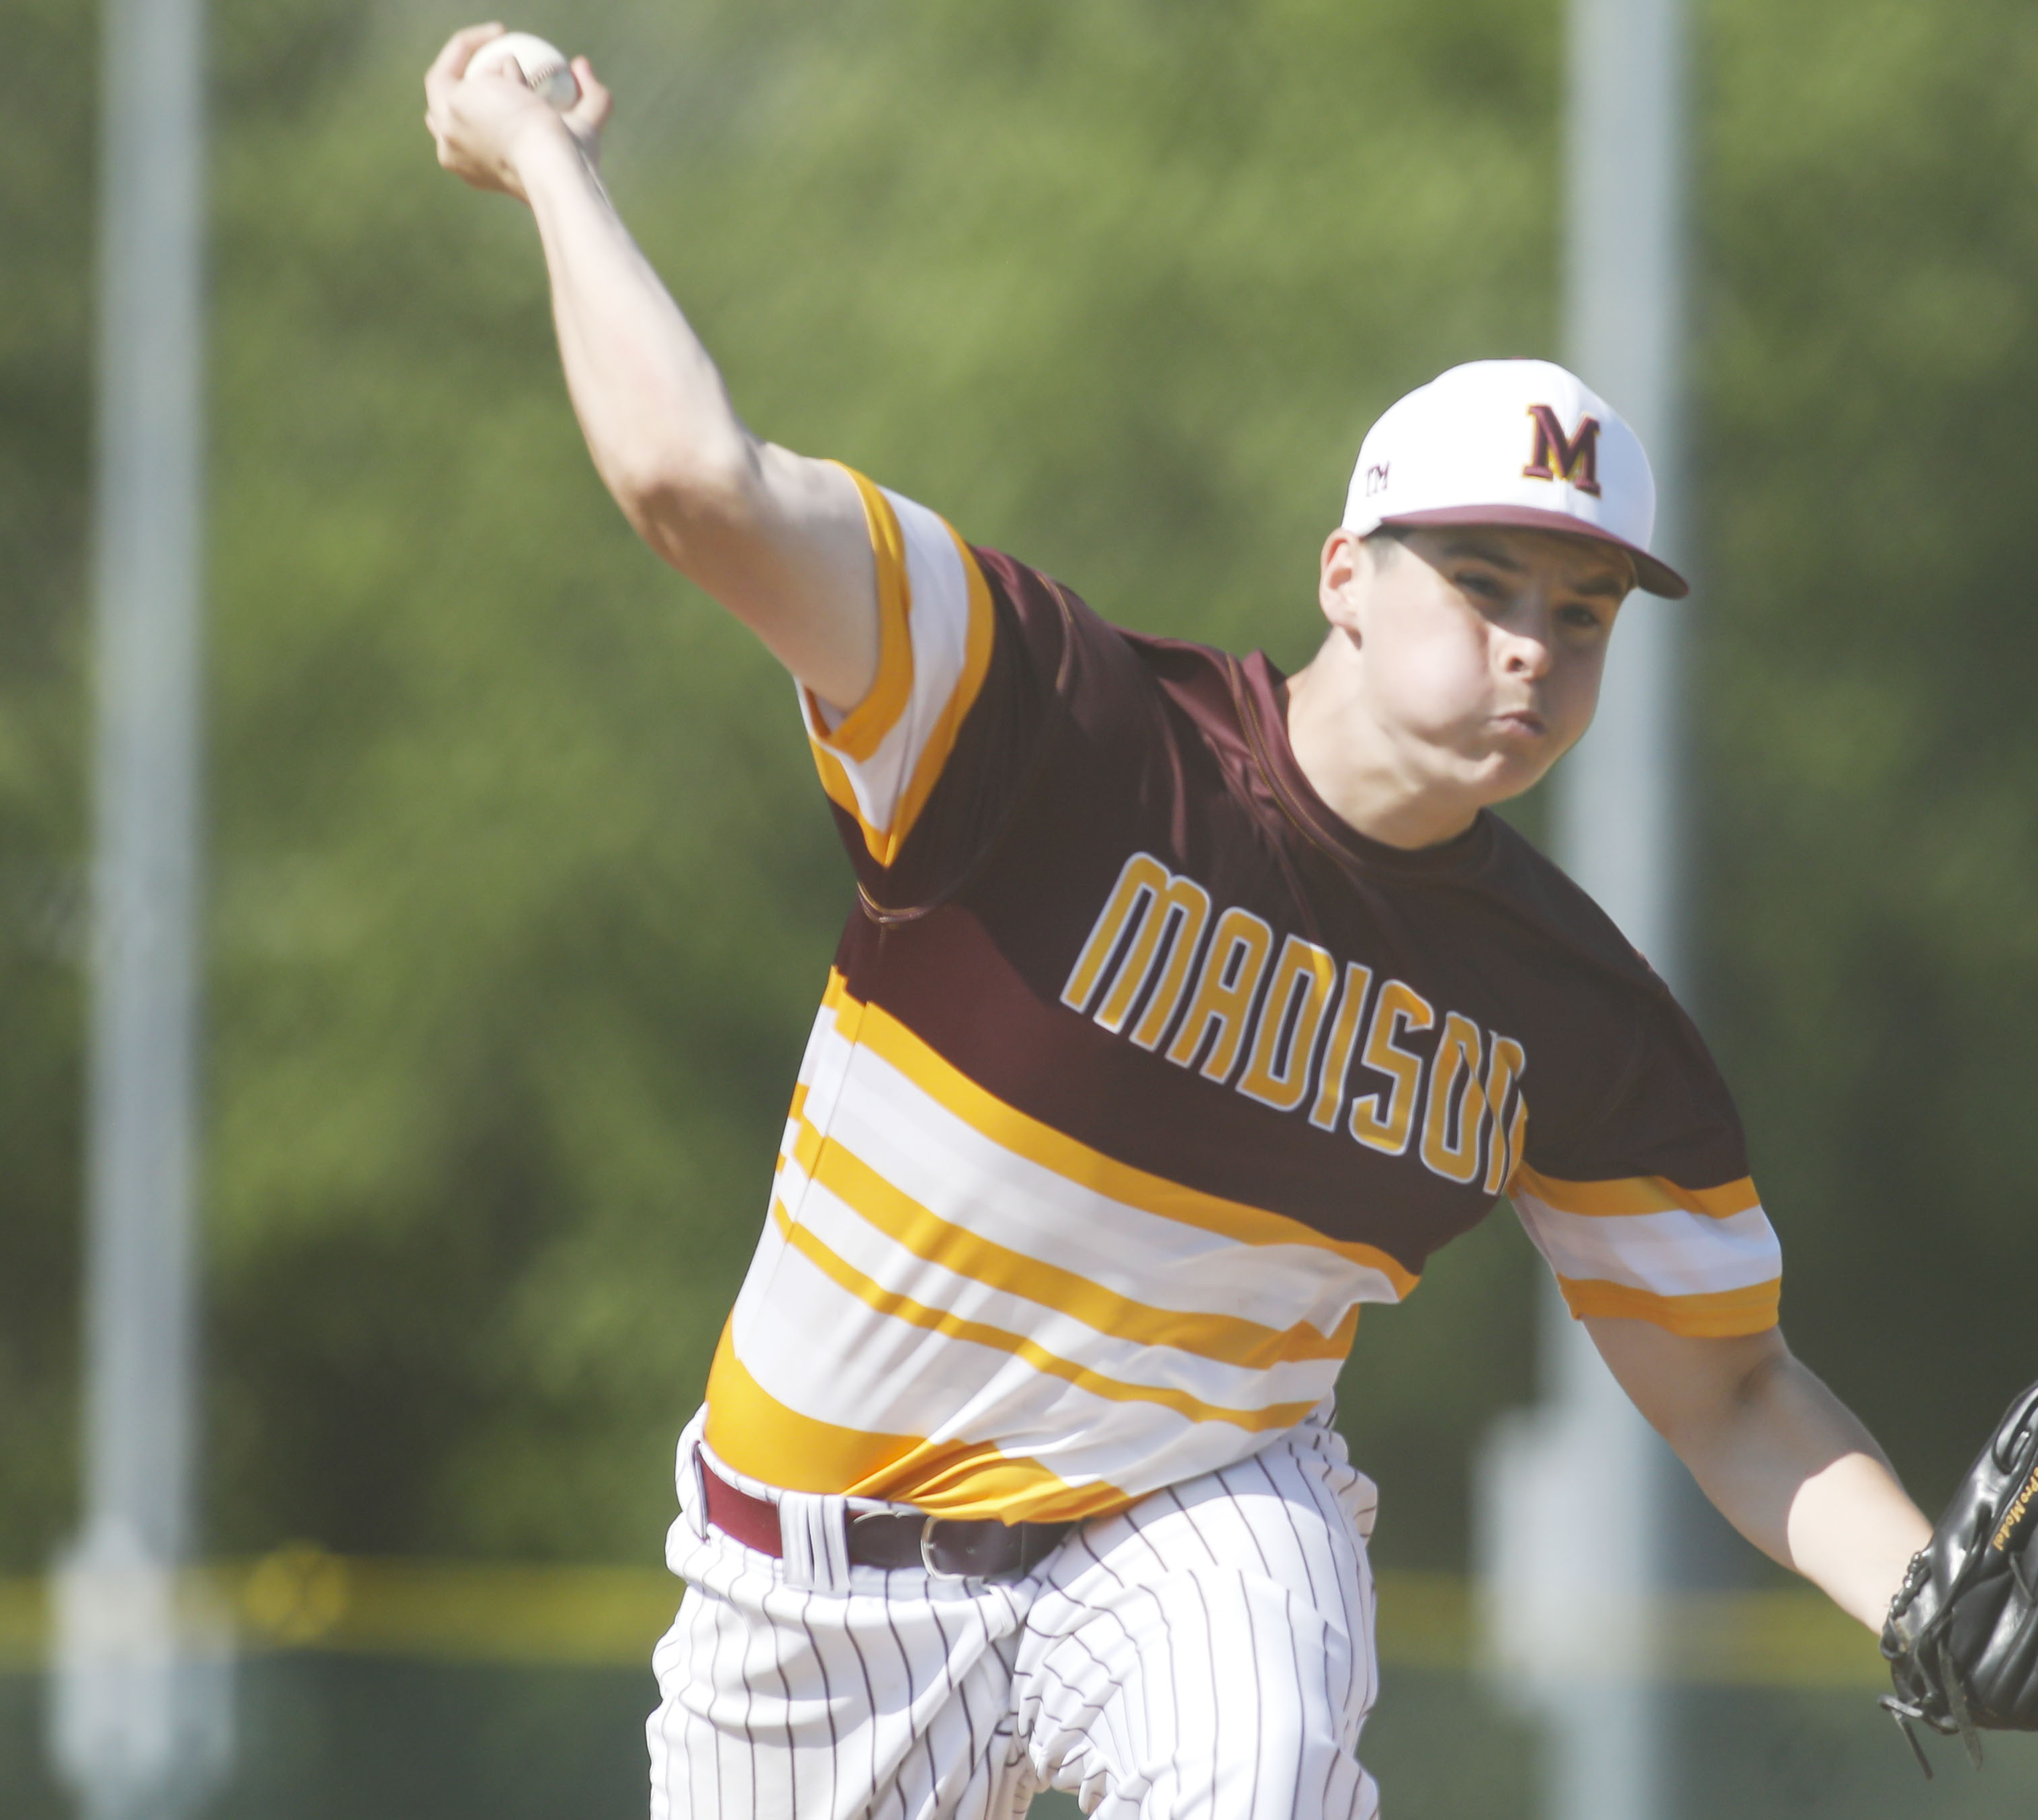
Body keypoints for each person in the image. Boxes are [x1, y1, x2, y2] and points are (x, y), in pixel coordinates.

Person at [424, 23, 1933, 1819]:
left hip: (1189, 1516)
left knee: (1258, 1761)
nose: (1532, 643)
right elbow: (695, 487)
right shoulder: (1043, 724)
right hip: (808, 1585)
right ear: (1343, 578)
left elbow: (1738, 1397)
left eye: (1585, 610)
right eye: (1480, 580)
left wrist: (1933, 1603)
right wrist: (550, 166)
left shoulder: (1567, 1018)